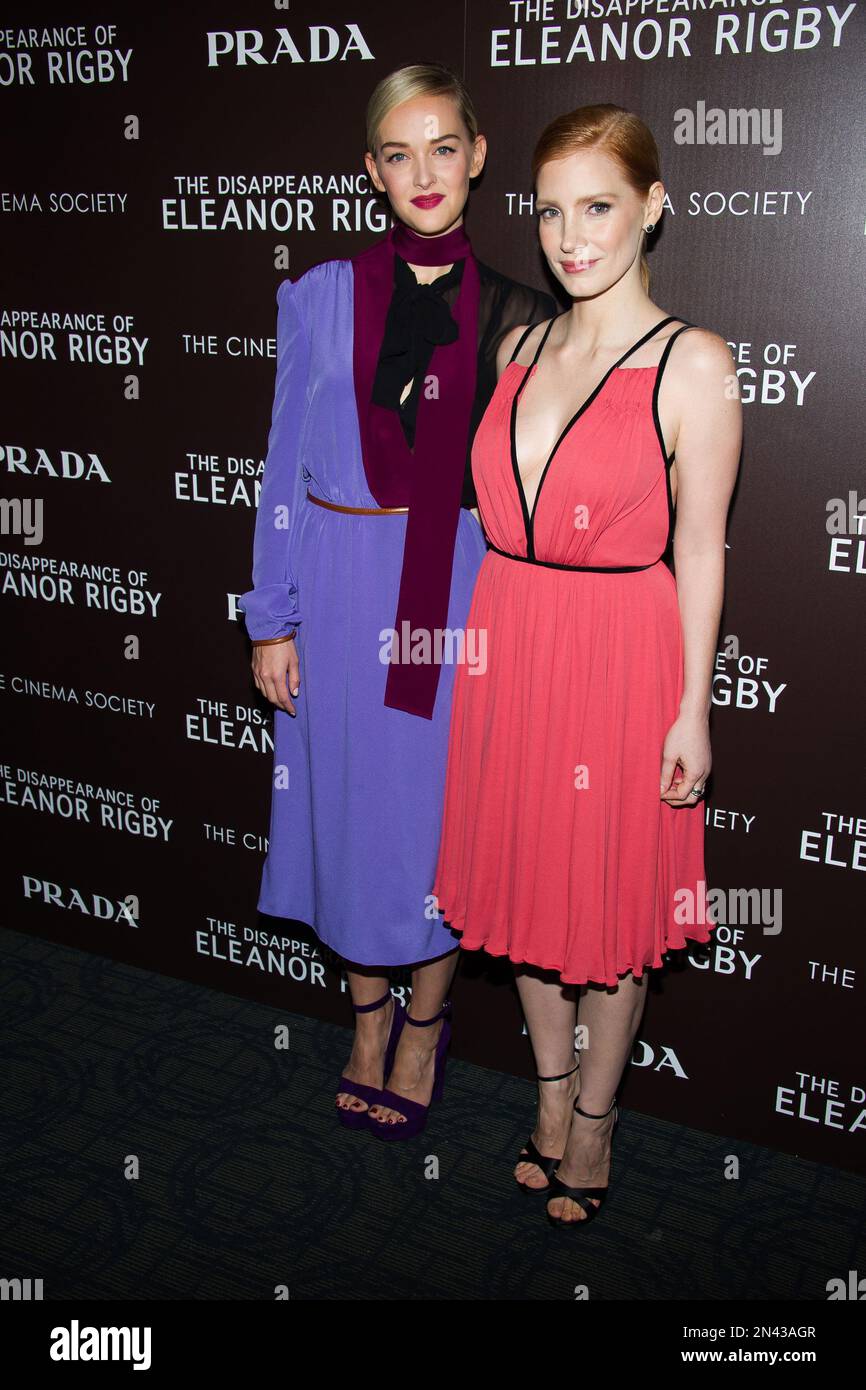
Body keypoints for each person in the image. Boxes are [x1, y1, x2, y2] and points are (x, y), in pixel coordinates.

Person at [432, 104, 742, 1222]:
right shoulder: (518, 345)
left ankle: (597, 1121)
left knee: (607, 914)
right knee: (522, 889)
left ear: (651, 208)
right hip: (508, 638)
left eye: (598, 207)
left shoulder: (691, 361)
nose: (571, 237)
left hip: (619, 651)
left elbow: (701, 547)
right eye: (553, 211)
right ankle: (549, 1096)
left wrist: (690, 708)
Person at [238, 63, 557, 1138]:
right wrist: (269, 615)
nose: (421, 172)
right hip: (332, 586)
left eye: (440, 147)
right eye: (395, 152)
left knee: (432, 828)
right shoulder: (319, 295)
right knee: (344, 815)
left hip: (455, 596)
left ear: (475, 154)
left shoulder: (520, 317)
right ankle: (365, 1019)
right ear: (370, 170)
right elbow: (282, 465)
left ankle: (423, 1026)